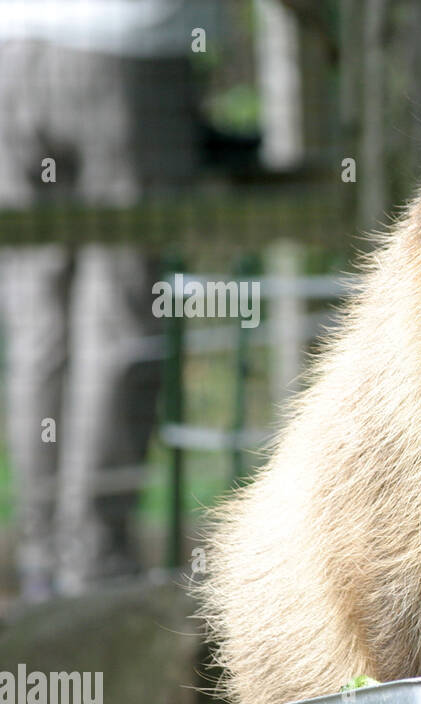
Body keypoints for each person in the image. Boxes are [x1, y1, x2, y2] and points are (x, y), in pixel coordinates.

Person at [0, 0, 215, 600]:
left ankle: (42, 560)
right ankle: (94, 569)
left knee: (37, 320)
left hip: (14, 46)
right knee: (121, 316)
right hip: (130, 46)